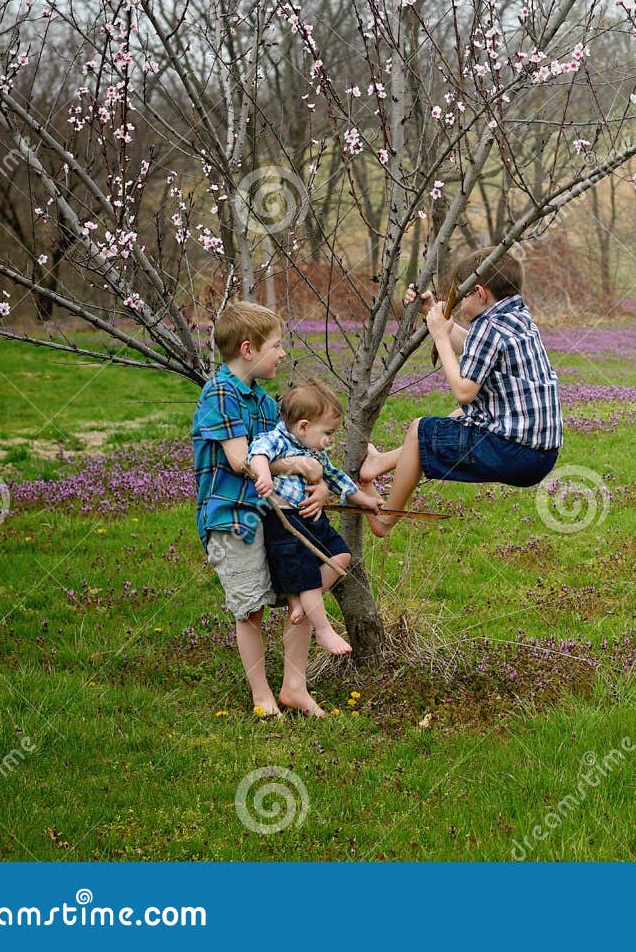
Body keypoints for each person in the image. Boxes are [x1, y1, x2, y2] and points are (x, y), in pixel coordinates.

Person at [358, 249, 560, 536]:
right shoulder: (516, 317)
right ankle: (378, 464)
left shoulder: (488, 328)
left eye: (462, 294)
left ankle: (385, 519)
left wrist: (440, 336)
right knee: (458, 418)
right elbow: (476, 349)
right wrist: (431, 313)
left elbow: (464, 391)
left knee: (420, 430)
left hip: (515, 452)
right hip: (541, 455)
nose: (459, 300)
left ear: (479, 292)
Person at [192, 301, 330, 717]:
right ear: (249, 349)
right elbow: (239, 460)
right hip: (232, 518)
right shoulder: (220, 393)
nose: (283, 353)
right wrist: (292, 465)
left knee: (303, 590)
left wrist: (320, 483)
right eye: (277, 345)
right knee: (250, 607)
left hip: (272, 514)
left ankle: (294, 686)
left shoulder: (265, 402)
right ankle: (262, 696)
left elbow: (301, 448)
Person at [249, 380, 384, 682]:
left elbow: (336, 479)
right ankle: (322, 630)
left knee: (341, 555)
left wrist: (365, 501)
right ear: (304, 426)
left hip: (312, 519)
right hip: (285, 520)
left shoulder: (313, 451)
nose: (330, 441)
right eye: (328, 433)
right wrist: (263, 476)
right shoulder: (276, 440)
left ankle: (302, 598)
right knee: (308, 571)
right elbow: (256, 455)